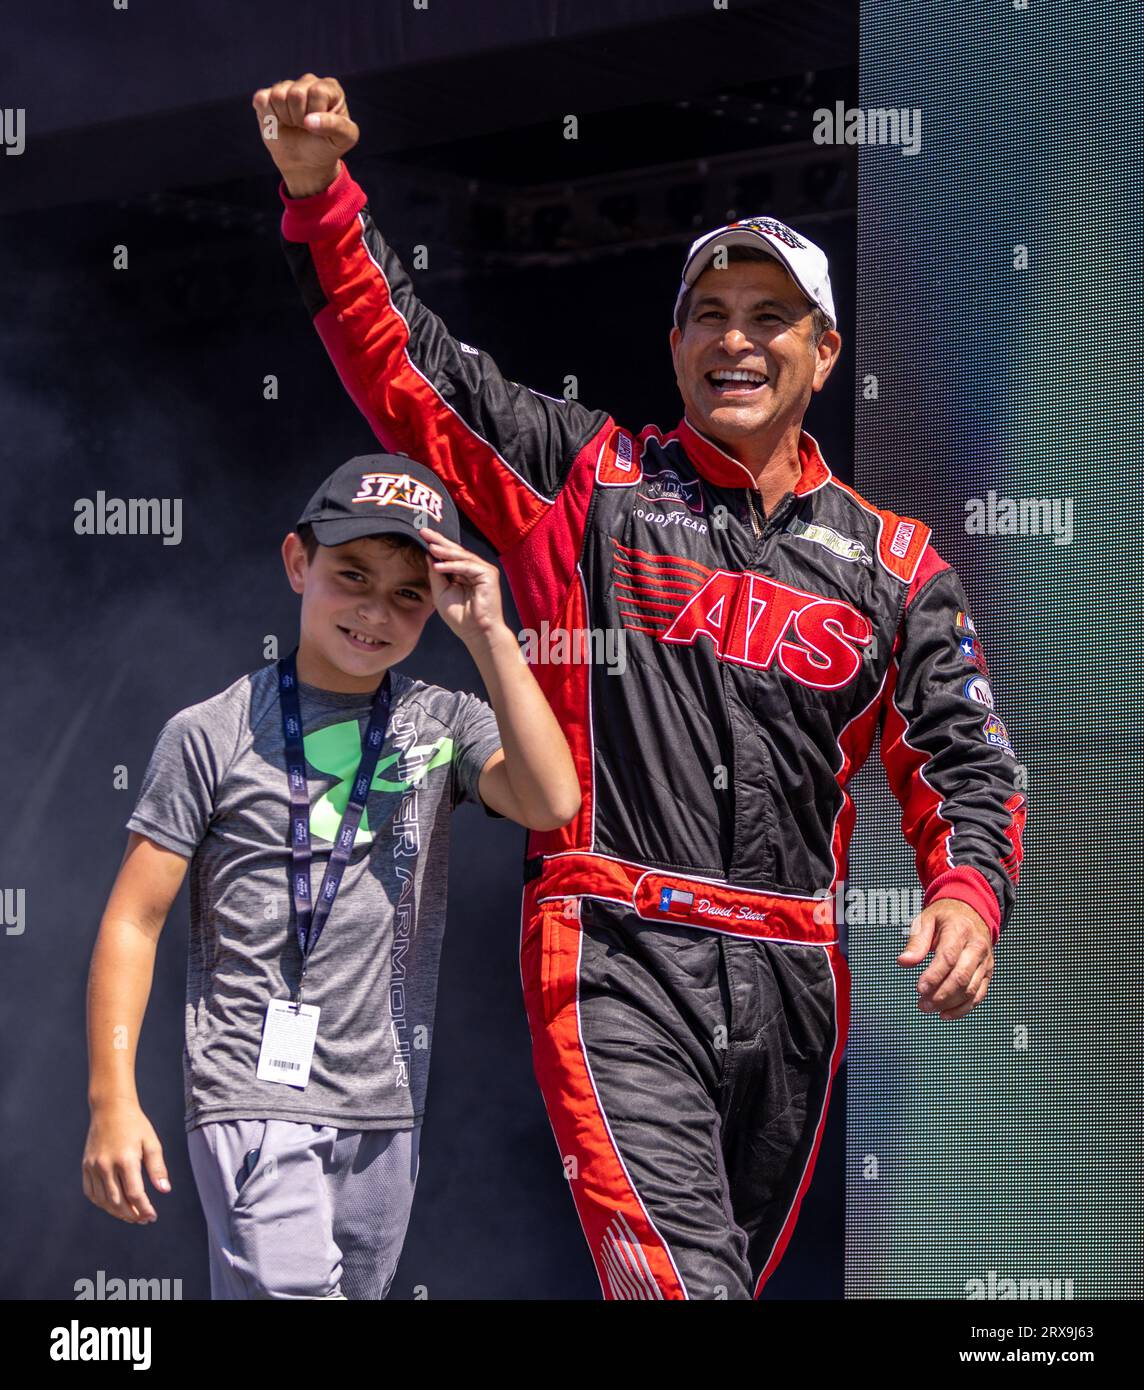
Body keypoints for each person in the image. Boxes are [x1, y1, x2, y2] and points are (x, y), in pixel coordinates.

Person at [252, 74, 1028, 1300]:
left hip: (791, 977)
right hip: (616, 942)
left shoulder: (895, 564)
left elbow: (967, 758)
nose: (735, 338)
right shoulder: (590, 480)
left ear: (824, 353)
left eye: (770, 316)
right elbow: (410, 365)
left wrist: (968, 893)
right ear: (672, 345)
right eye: (708, 313)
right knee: (679, 1286)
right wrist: (319, 195)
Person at [82, 453, 581, 1299]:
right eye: (352, 575)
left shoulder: (443, 720)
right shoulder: (209, 731)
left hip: (387, 1105)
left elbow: (550, 799)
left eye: (408, 595)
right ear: (296, 563)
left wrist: (492, 635)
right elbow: (134, 920)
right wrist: (111, 1100)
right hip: (250, 1089)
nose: (375, 611)